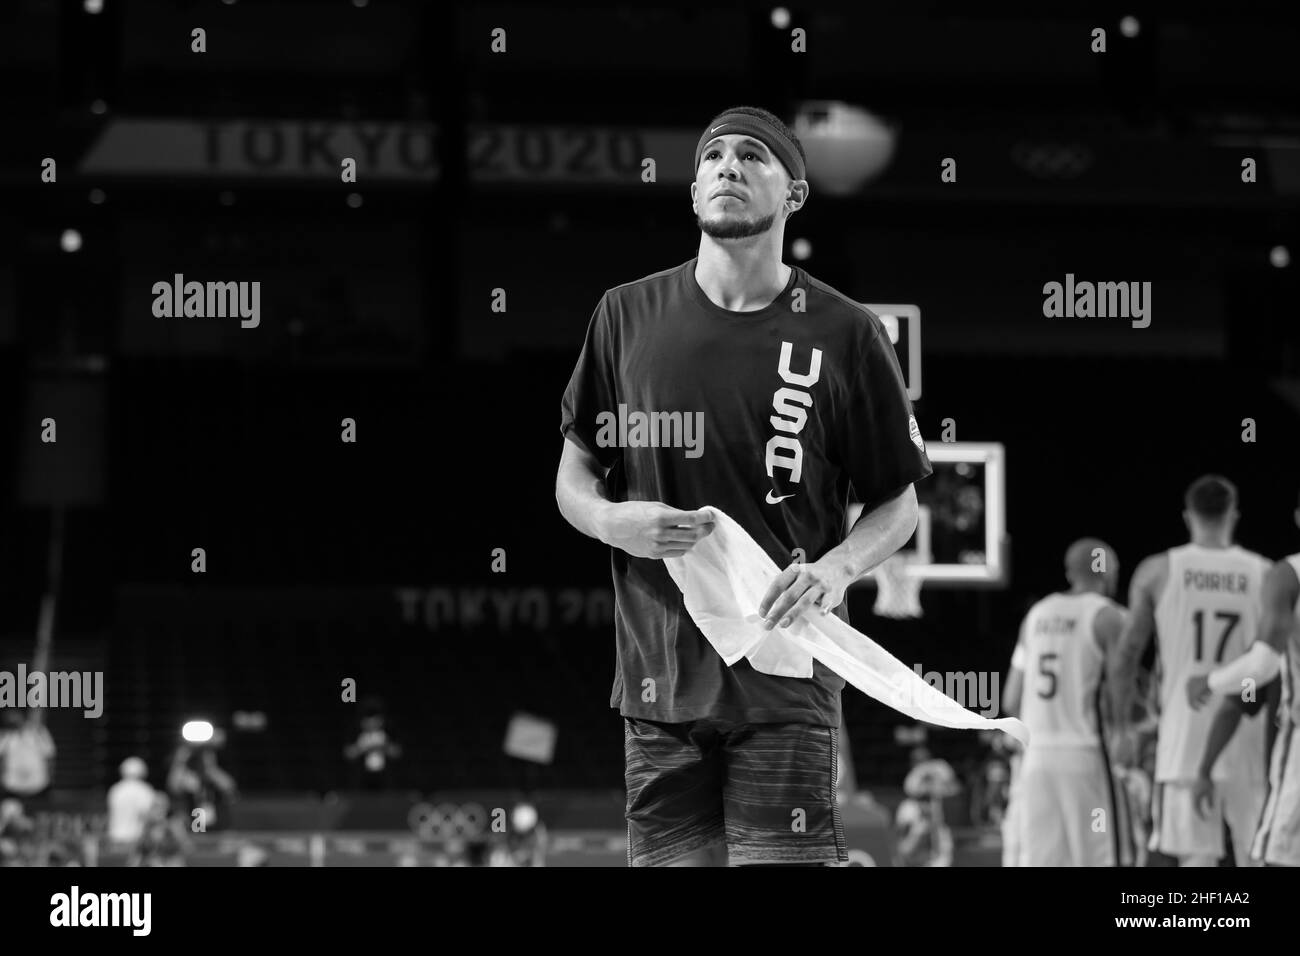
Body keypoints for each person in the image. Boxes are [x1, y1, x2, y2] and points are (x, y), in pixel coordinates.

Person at [557, 106, 932, 867]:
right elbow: (575, 475)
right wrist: (610, 523)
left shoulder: (847, 331)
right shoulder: (625, 315)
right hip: (658, 678)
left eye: (753, 156)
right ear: (694, 188)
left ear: (794, 194)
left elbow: (899, 502)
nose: (729, 166)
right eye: (715, 156)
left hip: (786, 677)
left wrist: (837, 568)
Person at [1109, 475, 1271, 866]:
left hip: (1184, 737)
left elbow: (1126, 655)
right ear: (1233, 514)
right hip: (1247, 736)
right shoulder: (1266, 573)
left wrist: (1122, 726)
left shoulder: (1157, 570)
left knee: (1195, 862)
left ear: (1188, 516)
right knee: (1257, 857)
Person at [1001, 539, 1132, 866]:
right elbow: (1120, 689)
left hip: (1037, 761)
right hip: (1085, 757)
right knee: (1099, 856)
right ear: (1107, 571)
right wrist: (1124, 733)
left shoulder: (1036, 615)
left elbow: (1010, 699)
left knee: (1044, 860)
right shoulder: (1109, 617)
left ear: (1070, 572)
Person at [1189, 490, 1300, 866]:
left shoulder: (1287, 577)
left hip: (1280, 764)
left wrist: (1211, 680)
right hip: (1255, 771)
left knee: (1275, 859)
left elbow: (1251, 679)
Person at [0, 708, 55, 809]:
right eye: (8, 716)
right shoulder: (6, 735)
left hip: (38, 786)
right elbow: (2, 756)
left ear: (21, 716)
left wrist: (50, 780)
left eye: (14, 715)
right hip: (12, 787)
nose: (11, 718)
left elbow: (50, 756)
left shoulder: (40, 732)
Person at [107, 757, 156, 849]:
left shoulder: (115, 790)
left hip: (115, 837)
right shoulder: (144, 790)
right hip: (135, 839)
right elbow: (146, 816)